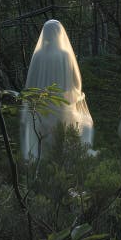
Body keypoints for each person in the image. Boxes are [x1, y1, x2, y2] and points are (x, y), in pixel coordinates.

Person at [20, 20, 93, 159]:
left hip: (41, 110)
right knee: (62, 144)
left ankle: (43, 175)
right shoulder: (65, 55)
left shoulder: (38, 55)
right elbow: (77, 83)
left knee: (43, 147)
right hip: (63, 108)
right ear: (60, 34)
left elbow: (30, 86)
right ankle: (63, 176)